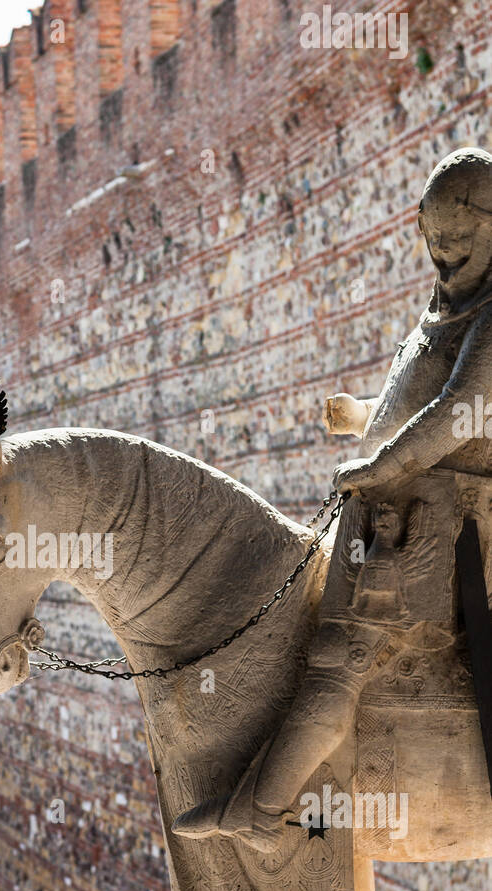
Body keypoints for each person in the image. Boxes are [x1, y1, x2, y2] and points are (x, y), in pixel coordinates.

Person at [174, 146, 492, 847]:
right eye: (435, 240)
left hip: (439, 524)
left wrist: (382, 459)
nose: (445, 255)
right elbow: (416, 402)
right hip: (396, 507)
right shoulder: (444, 312)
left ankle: (262, 809)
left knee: (340, 659)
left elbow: (461, 411)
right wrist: (361, 415)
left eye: (461, 241)